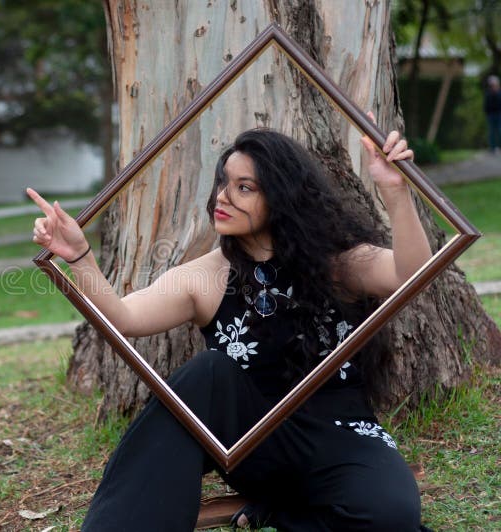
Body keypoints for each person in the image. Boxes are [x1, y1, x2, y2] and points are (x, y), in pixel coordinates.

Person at [28, 124, 432, 531]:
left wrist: (395, 192)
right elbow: (124, 319)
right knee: (207, 373)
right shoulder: (206, 276)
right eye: (223, 182)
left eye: (244, 187)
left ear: (281, 198)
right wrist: (79, 257)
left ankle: (280, 511)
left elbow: (411, 275)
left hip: (341, 435)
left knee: (392, 517)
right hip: (256, 443)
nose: (222, 196)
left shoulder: (337, 263)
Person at [484, 75, 501, 153]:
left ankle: (498, 146)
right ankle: (492, 147)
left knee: (499, 130)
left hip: (499, 114)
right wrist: (487, 113)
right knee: (491, 131)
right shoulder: (488, 93)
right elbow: (486, 105)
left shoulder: (499, 93)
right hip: (491, 115)